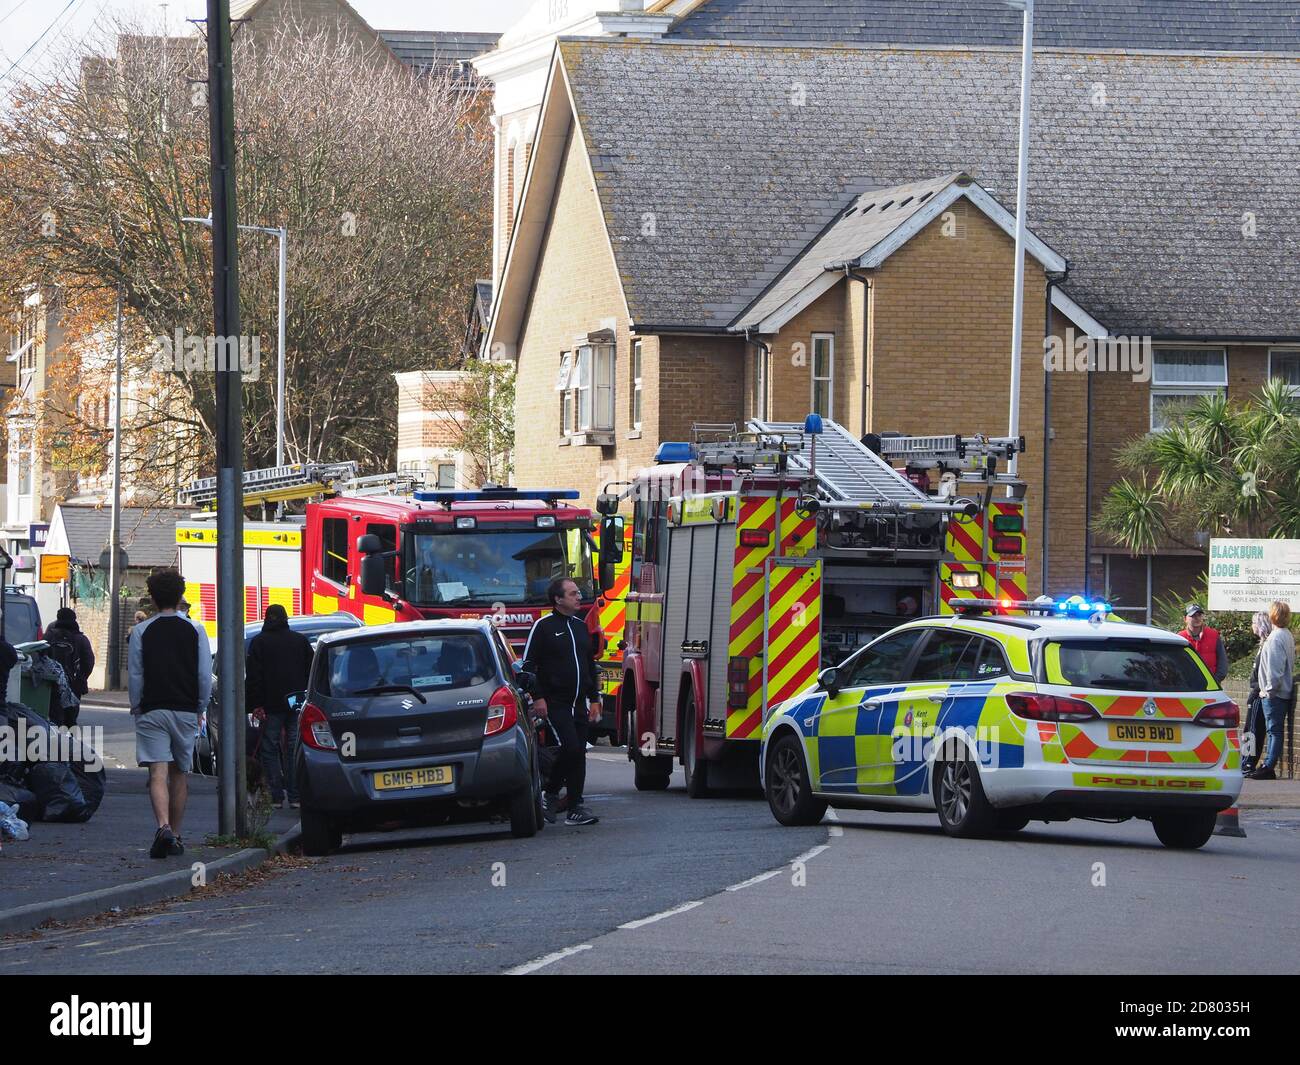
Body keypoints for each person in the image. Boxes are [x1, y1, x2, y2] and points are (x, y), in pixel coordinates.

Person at [129, 568, 212, 858]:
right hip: (186, 709)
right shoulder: (195, 630)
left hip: (152, 708)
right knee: (179, 773)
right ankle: (175, 835)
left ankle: (162, 826)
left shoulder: (141, 631)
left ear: (152, 598)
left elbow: (136, 674)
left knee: (157, 771)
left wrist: (137, 705)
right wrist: (200, 706)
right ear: (180, 597)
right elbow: (204, 674)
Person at [521, 577, 602, 826]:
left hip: (579, 702)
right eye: (573, 593)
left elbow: (589, 666)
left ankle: (576, 807)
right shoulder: (543, 627)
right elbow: (527, 667)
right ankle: (551, 792)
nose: (579, 597)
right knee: (571, 748)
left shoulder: (579, 627)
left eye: (578, 593)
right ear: (558, 599)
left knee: (579, 754)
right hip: (555, 702)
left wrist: (595, 698)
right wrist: (538, 697)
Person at [245, 604, 314, 809]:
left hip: (271, 705)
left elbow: (254, 678)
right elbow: (310, 672)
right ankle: (295, 796)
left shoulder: (259, 643)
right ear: (285, 619)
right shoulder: (300, 641)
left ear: (267, 619)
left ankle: (276, 795)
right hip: (296, 703)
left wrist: (256, 704)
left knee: (269, 748)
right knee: (293, 748)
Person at [1251, 600, 1295, 781]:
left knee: (1274, 731)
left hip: (1274, 694)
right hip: (1281, 692)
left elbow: (1275, 669)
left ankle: (1269, 766)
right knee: (1274, 730)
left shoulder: (1276, 638)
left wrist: (1268, 691)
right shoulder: (1287, 635)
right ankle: (1268, 764)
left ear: (1273, 615)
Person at [1242, 610, 1273, 774]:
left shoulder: (1267, 646)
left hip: (1257, 695)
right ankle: (1247, 761)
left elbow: (1261, 675)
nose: (1252, 626)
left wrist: (1253, 694)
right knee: (1252, 730)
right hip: (1257, 693)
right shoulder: (1263, 645)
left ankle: (1247, 763)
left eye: (1254, 623)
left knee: (1252, 731)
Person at [44, 607, 95, 700]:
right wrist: (82, 677)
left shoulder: (49, 636)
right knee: (71, 712)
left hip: (52, 683)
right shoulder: (81, 639)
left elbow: (40, 657)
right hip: (74, 684)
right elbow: (89, 662)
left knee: (54, 712)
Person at [1178, 603, 1228, 684]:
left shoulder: (1214, 635)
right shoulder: (1180, 637)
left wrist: (1215, 680)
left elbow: (1222, 661)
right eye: (1193, 616)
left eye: (1199, 615)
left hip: (1212, 685)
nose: (1197, 618)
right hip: (1187, 685)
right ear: (1185, 619)